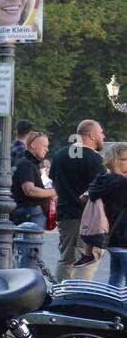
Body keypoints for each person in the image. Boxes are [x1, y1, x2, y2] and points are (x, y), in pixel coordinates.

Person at [51, 119, 106, 281]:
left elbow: (54, 180)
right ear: (92, 135)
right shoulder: (96, 160)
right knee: (89, 259)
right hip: (89, 218)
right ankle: (79, 297)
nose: (103, 136)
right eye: (101, 133)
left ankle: (61, 294)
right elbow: (101, 189)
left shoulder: (60, 154)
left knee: (66, 259)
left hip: (65, 215)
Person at [87, 142, 127, 287]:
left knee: (115, 279)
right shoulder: (122, 183)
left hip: (111, 236)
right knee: (117, 278)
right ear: (116, 160)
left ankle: (111, 308)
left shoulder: (102, 178)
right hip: (123, 236)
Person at [12, 132, 54, 226]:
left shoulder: (29, 163)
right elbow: (30, 190)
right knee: (31, 240)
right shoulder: (26, 164)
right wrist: (54, 192)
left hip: (30, 213)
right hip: (30, 214)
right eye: (44, 146)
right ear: (33, 145)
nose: (47, 149)